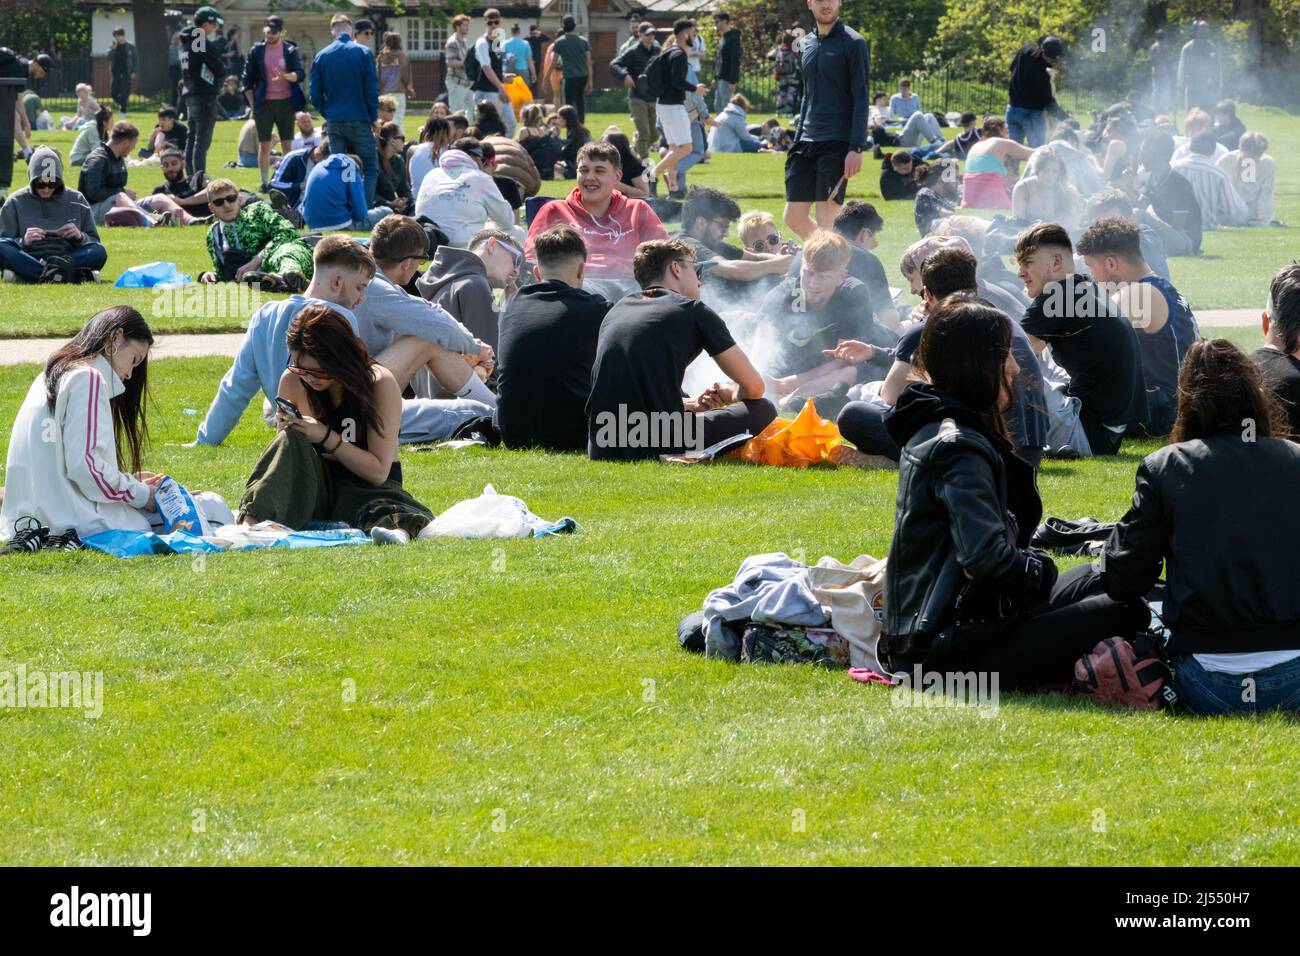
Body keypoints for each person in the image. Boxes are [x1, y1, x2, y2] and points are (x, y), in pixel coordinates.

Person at [876, 297, 1145, 688]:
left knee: (1097, 574)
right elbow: (986, 559)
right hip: (946, 653)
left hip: (953, 626)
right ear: (975, 365)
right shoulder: (958, 449)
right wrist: (1041, 570)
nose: (1017, 368)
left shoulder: (939, 424)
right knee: (1123, 609)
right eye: (1006, 356)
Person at [1100, 338, 1300, 714]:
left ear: (1188, 402)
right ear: (1255, 396)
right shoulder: (1293, 460)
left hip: (1207, 676)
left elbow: (1123, 578)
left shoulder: (1166, 467)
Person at [236, 304, 437, 546]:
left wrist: (324, 436)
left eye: (320, 372)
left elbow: (377, 473)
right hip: (319, 488)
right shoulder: (294, 380)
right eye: (302, 369)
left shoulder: (378, 384)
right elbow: (291, 460)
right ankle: (252, 521)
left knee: (385, 513)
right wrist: (293, 430)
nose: (310, 378)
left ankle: (393, 532)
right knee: (288, 439)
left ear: (341, 359)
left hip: (369, 490)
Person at [836, 248, 1048, 464]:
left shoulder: (936, 326)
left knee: (854, 412)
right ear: (975, 286)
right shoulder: (1000, 318)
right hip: (1030, 451)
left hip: (980, 452)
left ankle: (898, 460)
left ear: (927, 294)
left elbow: (891, 397)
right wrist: (875, 353)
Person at [588, 239, 776, 461]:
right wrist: (729, 393)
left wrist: (692, 404)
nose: (700, 280)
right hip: (657, 439)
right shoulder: (693, 311)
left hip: (602, 441)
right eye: (696, 269)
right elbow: (754, 388)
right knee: (763, 409)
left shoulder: (617, 310)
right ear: (676, 268)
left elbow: (635, 387)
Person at [0, 307, 171, 549]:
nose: (131, 374)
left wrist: (126, 481)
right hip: (78, 522)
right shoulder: (89, 379)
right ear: (115, 338)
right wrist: (143, 495)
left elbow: (72, 465)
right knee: (209, 508)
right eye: (134, 359)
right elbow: (86, 469)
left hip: (32, 520)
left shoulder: (51, 374)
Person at [1015, 223, 1144, 457]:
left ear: (1055, 262)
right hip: (1106, 433)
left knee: (1005, 368)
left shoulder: (1056, 296)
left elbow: (1004, 357)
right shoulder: (1084, 286)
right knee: (1029, 359)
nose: (1020, 272)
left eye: (1028, 262)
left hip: (1085, 433)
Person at [352, 215, 498, 418]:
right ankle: (496, 411)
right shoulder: (377, 288)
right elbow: (435, 321)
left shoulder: (369, 281)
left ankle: (492, 407)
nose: (420, 267)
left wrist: (466, 346)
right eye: (421, 259)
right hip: (357, 399)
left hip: (352, 387)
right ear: (406, 263)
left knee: (427, 336)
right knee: (426, 339)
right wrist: (475, 347)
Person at [1077, 216, 1199, 437]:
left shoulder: (1136, 295)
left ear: (1111, 264)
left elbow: (1081, 341)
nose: (1092, 277)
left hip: (1161, 415)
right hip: (1179, 407)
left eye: (1091, 267)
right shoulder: (1159, 288)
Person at [496, 225, 611, 451]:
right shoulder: (596, 309)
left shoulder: (512, 306)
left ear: (537, 273)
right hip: (575, 434)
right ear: (581, 271)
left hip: (512, 432)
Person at [759, 231, 895, 411]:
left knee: (850, 372)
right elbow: (761, 342)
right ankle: (793, 397)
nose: (813, 284)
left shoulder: (853, 294)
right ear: (800, 268)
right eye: (808, 274)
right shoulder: (786, 293)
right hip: (809, 362)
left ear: (841, 277)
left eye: (823, 277)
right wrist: (762, 375)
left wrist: (787, 384)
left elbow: (844, 360)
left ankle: (789, 400)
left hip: (859, 360)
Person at [526, 141, 669, 301]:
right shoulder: (555, 211)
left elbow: (664, 256)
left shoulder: (637, 209)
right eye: (584, 170)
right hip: (574, 290)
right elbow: (531, 259)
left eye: (599, 171)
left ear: (617, 177)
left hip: (630, 288)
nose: (590, 177)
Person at [783, 0, 869, 238]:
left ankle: (832, 267)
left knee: (826, 222)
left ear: (839, 2)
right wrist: (798, 138)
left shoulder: (854, 43)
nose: (826, 4)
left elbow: (861, 98)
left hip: (837, 142)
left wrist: (856, 147)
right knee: (793, 217)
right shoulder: (806, 43)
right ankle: (838, 257)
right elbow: (806, 97)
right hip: (806, 142)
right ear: (810, 3)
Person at [785, 200, 898, 328]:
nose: (875, 244)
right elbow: (890, 320)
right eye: (873, 238)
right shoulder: (867, 261)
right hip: (841, 338)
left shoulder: (802, 256)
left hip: (794, 330)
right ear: (865, 234)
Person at [0, 147, 106, 283]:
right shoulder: (15, 201)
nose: (46, 189)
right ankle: (72, 276)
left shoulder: (77, 199)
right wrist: (23, 241)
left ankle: (28, 276)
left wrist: (80, 236)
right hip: (29, 256)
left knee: (98, 252)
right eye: (40, 184)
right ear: (31, 179)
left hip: (67, 255)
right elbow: (5, 240)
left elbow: (94, 241)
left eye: (52, 183)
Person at [311, 15, 381, 208]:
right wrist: (373, 116)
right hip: (359, 117)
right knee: (370, 166)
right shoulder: (364, 52)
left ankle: (341, 206)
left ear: (332, 31)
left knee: (338, 167)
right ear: (351, 30)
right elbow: (371, 89)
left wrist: (328, 112)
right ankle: (363, 209)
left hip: (334, 119)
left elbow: (315, 94)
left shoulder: (322, 55)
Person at [417, 226, 520, 352]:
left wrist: (507, 300)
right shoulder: (475, 283)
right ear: (492, 244)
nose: (516, 271)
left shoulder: (448, 280)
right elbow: (492, 353)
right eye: (515, 259)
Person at [199, 178, 312, 291]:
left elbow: (288, 232)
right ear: (211, 207)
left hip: (290, 257)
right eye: (219, 202)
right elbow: (223, 271)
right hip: (253, 279)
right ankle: (280, 283)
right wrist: (210, 275)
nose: (226, 205)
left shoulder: (257, 212)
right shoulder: (213, 233)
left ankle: (287, 278)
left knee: (287, 250)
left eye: (231, 199)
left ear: (239, 199)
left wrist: (257, 259)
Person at [79, 121, 194, 227]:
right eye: (134, 143)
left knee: (160, 198)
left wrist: (122, 195)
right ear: (125, 143)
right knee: (121, 196)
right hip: (92, 211)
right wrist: (122, 192)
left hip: (117, 205)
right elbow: (93, 192)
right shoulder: (98, 160)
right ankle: (153, 221)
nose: (134, 148)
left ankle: (191, 220)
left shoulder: (118, 158)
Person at [413, 137, 521, 247]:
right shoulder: (480, 178)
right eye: (482, 160)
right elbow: (507, 221)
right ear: (475, 158)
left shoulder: (431, 175)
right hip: (463, 243)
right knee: (517, 232)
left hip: (429, 239)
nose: (482, 166)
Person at [676, 186, 792, 287]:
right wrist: (776, 265)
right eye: (722, 226)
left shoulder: (711, 244)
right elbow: (733, 270)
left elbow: (755, 257)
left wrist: (789, 258)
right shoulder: (686, 246)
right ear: (701, 223)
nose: (726, 233)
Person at [244, 15, 306, 193]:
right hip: (264, 103)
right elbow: (247, 79)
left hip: (286, 102)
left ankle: (285, 179)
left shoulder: (290, 50)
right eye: (268, 31)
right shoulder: (256, 51)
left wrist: (287, 76)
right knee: (265, 144)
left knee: (287, 143)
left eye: (274, 32)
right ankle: (264, 182)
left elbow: (300, 73)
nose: (270, 35)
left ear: (282, 32)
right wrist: (253, 104)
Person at [650, 20, 711, 196]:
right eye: (692, 34)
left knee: (674, 148)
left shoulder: (668, 52)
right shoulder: (679, 55)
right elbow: (677, 81)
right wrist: (695, 88)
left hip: (663, 105)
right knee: (686, 148)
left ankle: (674, 189)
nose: (695, 38)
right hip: (674, 106)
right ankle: (652, 174)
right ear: (684, 34)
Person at [178, 6, 227, 177]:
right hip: (203, 94)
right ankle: (199, 178)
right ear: (206, 23)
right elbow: (211, 62)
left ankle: (192, 176)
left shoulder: (185, 38)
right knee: (201, 141)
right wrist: (221, 71)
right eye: (213, 25)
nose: (214, 28)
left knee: (192, 139)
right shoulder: (198, 36)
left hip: (191, 93)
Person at [1137, 130, 1202, 256]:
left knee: (1139, 215)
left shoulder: (1178, 183)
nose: (1141, 157)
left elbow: (1177, 226)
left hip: (1185, 241)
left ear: (1163, 156)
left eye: (1146, 153)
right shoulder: (1153, 178)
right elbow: (1139, 205)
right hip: (1171, 236)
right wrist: (1129, 186)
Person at [1084, 189, 1171, 282]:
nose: (1104, 234)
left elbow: (1159, 281)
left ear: (1132, 221)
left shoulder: (1143, 240)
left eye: (1112, 225)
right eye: (1097, 227)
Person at [1172, 131, 1248, 231]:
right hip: (1206, 225)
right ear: (1213, 150)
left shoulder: (1173, 167)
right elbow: (1232, 209)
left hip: (1174, 224)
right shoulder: (1218, 174)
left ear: (1190, 147)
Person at [609, 22, 659, 161]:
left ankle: (633, 151)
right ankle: (644, 163)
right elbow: (614, 64)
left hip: (652, 96)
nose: (651, 36)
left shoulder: (657, 50)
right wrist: (625, 75)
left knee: (654, 134)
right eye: (648, 34)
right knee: (644, 132)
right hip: (637, 97)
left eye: (653, 33)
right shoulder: (633, 51)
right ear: (640, 35)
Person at [1006, 35, 1068, 148]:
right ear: (1044, 54)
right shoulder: (1041, 74)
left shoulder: (1025, 50)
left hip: (1012, 109)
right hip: (1031, 113)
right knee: (1038, 150)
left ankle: (1011, 166)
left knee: (1013, 150)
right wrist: (1066, 118)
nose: (1054, 61)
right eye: (1052, 58)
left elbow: (1012, 68)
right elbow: (1048, 102)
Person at [961, 115, 1036, 209]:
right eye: (1006, 130)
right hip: (992, 199)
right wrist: (1052, 146)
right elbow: (1032, 154)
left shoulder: (975, 146)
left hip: (969, 200)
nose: (1008, 134)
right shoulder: (1001, 142)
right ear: (1000, 129)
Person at [301, 151, 387, 231]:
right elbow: (361, 215)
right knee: (387, 211)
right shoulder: (351, 168)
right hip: (339, 224)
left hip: (312, 225)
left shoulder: (319, 166)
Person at [471, 9, 518, 138]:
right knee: (488, 128)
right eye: (490, 22)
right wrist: (501, 87)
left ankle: (499, 149)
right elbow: (486, 68)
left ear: (500, 23)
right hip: (485, 91)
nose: (493, 25)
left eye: (496, 22)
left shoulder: (498, 42)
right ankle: (487, 151)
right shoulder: (482, 43)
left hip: (497, 90)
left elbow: (495, 67)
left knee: (511, 124)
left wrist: (502, 77)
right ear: (485, 23)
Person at [1011, 150, 1081, 233]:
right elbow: (1018, 222)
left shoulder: (1067, 191)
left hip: (1058, 237)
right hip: (1028, 236)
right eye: (1046, 171)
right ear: (1038, 169)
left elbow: (1071, 222)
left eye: (1055, 172)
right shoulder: (1023, 188)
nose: (1050, 176)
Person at [1217, 132, 1277, 228]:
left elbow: (1266, 194)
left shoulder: (1267, 164)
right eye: (1247, 156)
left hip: (1251, 213)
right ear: (1240, 148)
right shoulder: (1226, 161)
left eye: (1255, 156)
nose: (1251, 160)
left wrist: (1263, 220)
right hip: (1227, 211)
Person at [268, 138, 328, 212]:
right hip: (295, 204)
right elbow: (273, 184)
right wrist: (300, 186)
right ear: (318, 153)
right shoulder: (294, 158)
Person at [552, 14, 592, 123]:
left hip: (569, 76)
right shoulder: (584, 41)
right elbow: (588, 62)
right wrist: (590, 80)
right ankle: (581, 123)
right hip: (583, 75)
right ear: (574, 26)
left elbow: (553, 62)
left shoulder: (559, 42)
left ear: (563, 26)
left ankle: (569, 124)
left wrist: (546, 78)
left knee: (568, 102)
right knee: (580, 100)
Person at [1177, 20, 1222, 113]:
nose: (1206, 30)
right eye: (1203, 28)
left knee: (1209, 114)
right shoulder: (1187, 48)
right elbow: (1182, 69)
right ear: (1196, 30)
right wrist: (1180, 86)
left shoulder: (1212, 48)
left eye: (1207, 28)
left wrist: (1218, 83)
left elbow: (1217, 68)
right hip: (1193, 87)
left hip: (1209, 88)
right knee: (1192, 114)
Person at [376, 32, 415, 126]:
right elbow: (406, 76)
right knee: (398, 119)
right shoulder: (403, 57)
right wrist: (410, 88)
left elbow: (377, 75)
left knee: (383, 120)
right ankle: (398, 138)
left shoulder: (381, 57)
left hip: (384, 93)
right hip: (398, 92)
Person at [603, 130, 650, 198]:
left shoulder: (634, 166)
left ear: (617, 146)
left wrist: (618, 185)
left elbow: (645, 193)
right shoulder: (605, 164)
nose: (602, 148)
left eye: (606, 145)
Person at [444, 14, 474, 116]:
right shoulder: (452, 42)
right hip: (456, 82)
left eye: (468, 25)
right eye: (465, 25)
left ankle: (467, 132)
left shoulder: (464, 41)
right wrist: (467, 63)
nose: (467, 27)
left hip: (466, 83)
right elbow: (449, 62)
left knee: (471, 111)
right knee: (456, 112)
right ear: (457, 27)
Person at [713, 12, 741, 114]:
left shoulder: (733, 38)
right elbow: (719, 60)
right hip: (720, 77)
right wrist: (715, 77)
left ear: (725, 22)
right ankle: (720, 128)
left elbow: (735, 60)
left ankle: (728, 128)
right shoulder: (722, 37)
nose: (715, 24)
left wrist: (733, 81)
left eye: (717, 22)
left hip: (727, 78)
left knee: (726, 106)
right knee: (717, 105)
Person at [769, 31, 799, 115]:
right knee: (791, 93)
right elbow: (799, 58)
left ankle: (779, 111)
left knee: (782, 92)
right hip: (792, 74)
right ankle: (789, 111)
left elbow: (770, 56)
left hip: (781, 75)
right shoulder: (794, 49)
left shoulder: (779, 48)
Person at [109, 27, 138, 115]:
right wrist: (113, 49)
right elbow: (109, 57)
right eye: (116, 36)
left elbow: (135, 59)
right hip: (116, 72)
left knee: (124, 92)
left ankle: (123, 110)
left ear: (123, 35)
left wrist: (134, 71)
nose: (118, 38)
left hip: (126, 72)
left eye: (120, 35)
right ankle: (121, 104)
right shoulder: (114, 46)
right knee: (113, 92)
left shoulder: (130, 46)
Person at [1149, 29, 1174, 116]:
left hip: (1157, 72)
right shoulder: (1163, 47)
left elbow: (1153, 61)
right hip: (1162, 72)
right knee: (1163, 93)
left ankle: (1156, 111)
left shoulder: (1153, 47)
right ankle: (1163, 111)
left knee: (1157, 93)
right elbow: (1167, 60)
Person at [503, 24, 535, 88]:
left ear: (511, 32)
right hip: (522, 69)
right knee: (523, 90)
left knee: (509, 91)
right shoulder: (525, 43)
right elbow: (529, 61)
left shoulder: (505, 43)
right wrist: (534, 74)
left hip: (509, 70)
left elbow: (502, 58)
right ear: (519, 32)